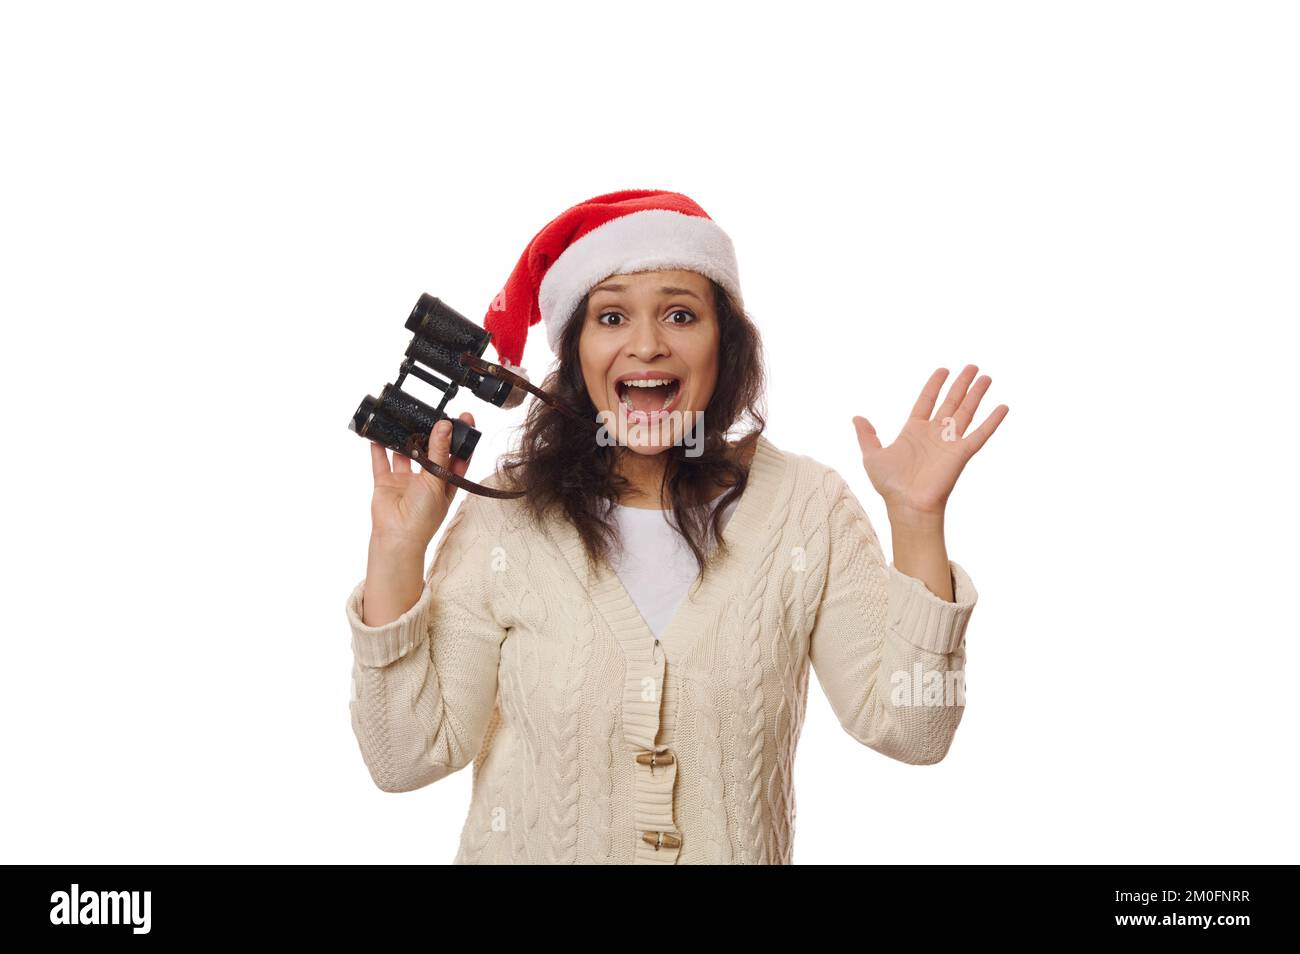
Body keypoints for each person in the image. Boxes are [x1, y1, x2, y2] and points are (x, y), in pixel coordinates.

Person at [346, 189, 1008, 864]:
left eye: (681, 314)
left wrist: (918, 521)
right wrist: (396, 551)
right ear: (575, 353)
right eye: (610, 316)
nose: (647, 345)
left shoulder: (808, 510)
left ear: (725, 346)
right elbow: (404, 758)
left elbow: (915, 731)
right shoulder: (505, 516)